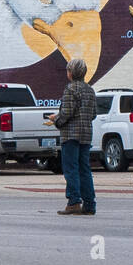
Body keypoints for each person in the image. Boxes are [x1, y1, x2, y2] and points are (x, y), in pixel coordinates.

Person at [48, 58, 97, 216]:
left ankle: (74, 201)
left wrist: (55, 119)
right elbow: (94, 114)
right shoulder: (90, 90)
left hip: (70, 135)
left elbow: (66, 114)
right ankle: (89, 204)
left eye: (68, 70)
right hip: (86, 134)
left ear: (71, 73)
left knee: (71, 169)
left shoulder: (70, 89)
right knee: (84, 169)